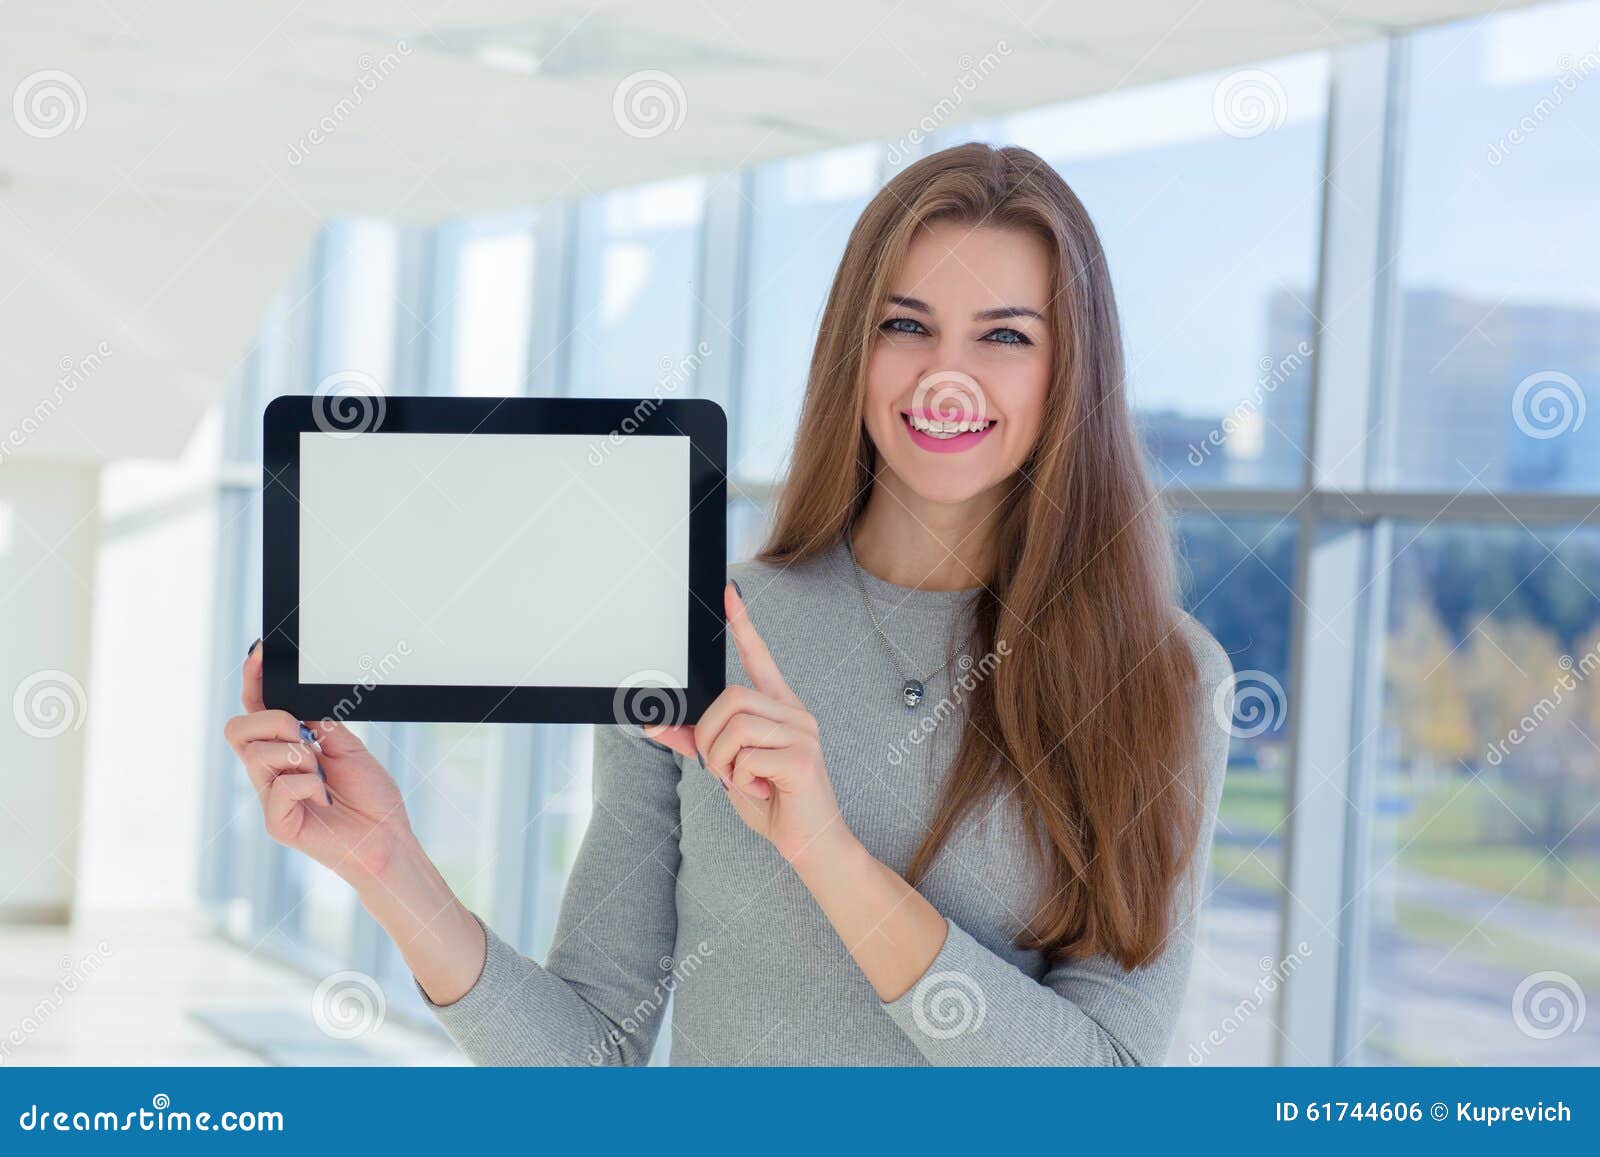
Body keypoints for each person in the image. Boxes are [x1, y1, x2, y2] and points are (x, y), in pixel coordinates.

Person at [227, 141, 1235, 1066]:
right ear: (854, 346)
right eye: (905, 324)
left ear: (1070, 370)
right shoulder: (700, 627)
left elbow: (1110, 1083)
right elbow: (591, 1059)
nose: (946, 374)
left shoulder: (1159, 678)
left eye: (1004, 335)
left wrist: (823, 849)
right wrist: (389, 864)